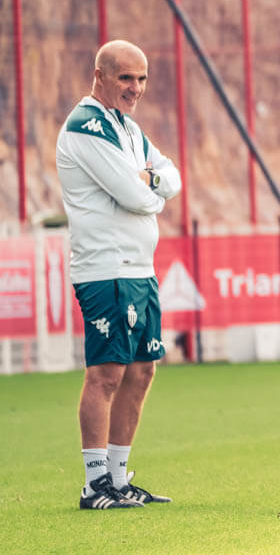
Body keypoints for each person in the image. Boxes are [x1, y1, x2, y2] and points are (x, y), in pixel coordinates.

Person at [57, 40, 181, 509]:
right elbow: (134, 194)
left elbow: (171, 176)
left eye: (142, 78)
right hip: (105, 267)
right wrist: (151, 189)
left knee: (142, 369)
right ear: (100, 76)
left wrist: (151, 181)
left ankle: (117, 478)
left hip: (139, 268)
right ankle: (95, 485)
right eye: (126, 77)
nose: (135, 87)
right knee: (106, 373)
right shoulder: (86, 125)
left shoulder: (127, 127)